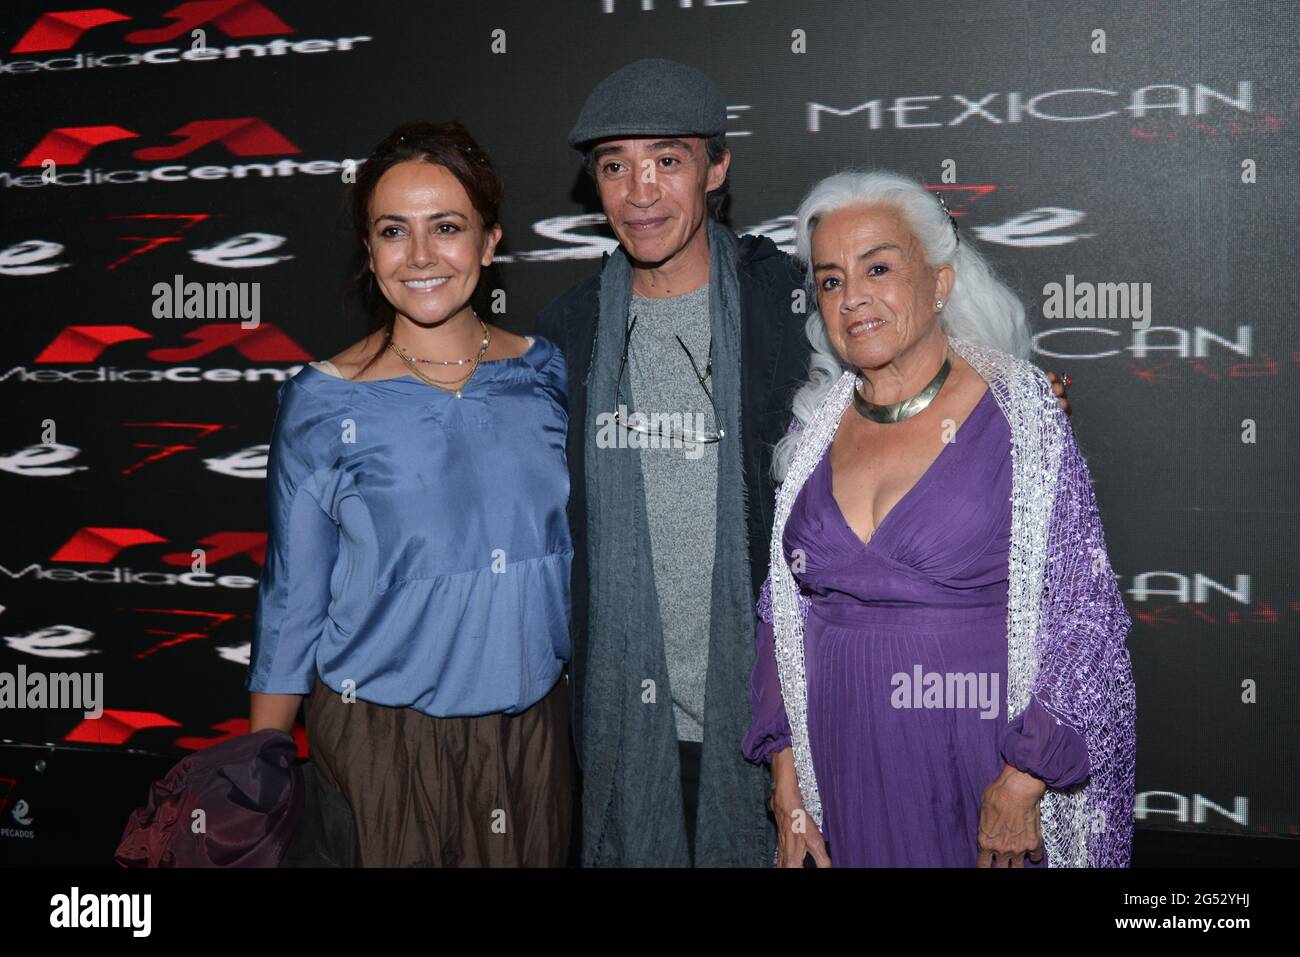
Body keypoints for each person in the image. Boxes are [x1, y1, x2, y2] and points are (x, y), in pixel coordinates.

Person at [535, 59, 1074, 867]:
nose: (640, 191)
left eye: (667, 160)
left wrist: (1016, 391)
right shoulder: (570, 334)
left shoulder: (789, 304)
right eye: (615, 166)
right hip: (626, 723)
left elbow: (905, 343)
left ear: (717, 169)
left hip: (784, 732)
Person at [743, 170, 1136, 867]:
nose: (854, 297)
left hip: (981, 768)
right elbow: (782, 614)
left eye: (880, 268)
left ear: (941, 281)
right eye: (831, 280)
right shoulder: (814, 433)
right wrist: (787, 785)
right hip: (845, 769)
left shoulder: (1022, 416)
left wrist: (1024, 781)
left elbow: (1085, 615)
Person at [246, 121, 575, 867]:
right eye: (395, 230)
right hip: (380, 744)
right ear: (370, 252)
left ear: (490, 243)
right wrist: (258, 774)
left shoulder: (550, 375)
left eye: (447, 228)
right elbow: (292, 601)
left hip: (532, 740)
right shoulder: (322, 401)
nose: (422, 256)